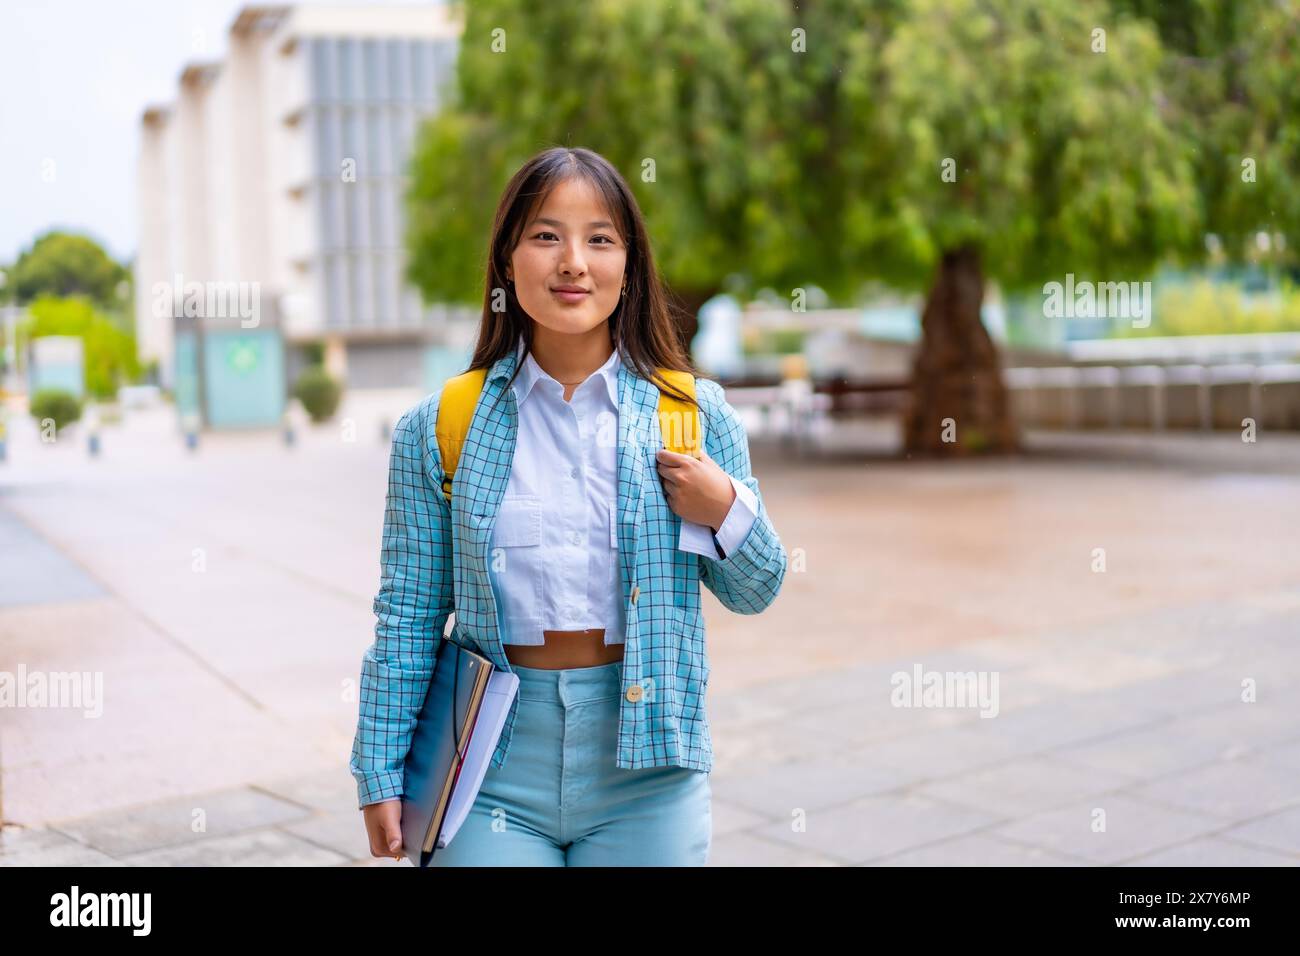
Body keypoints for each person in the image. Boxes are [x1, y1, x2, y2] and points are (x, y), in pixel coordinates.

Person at [350, 146, 788, 866]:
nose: (573, 262)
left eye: (601, 239)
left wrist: (724, 507)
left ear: (630, 266)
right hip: (486, 769)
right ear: (507, 261)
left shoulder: (694, 415)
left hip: (648, 768)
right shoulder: (440, 428)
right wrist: (380, 770)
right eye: (546, 235)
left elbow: (757, 589)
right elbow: (406, 615)